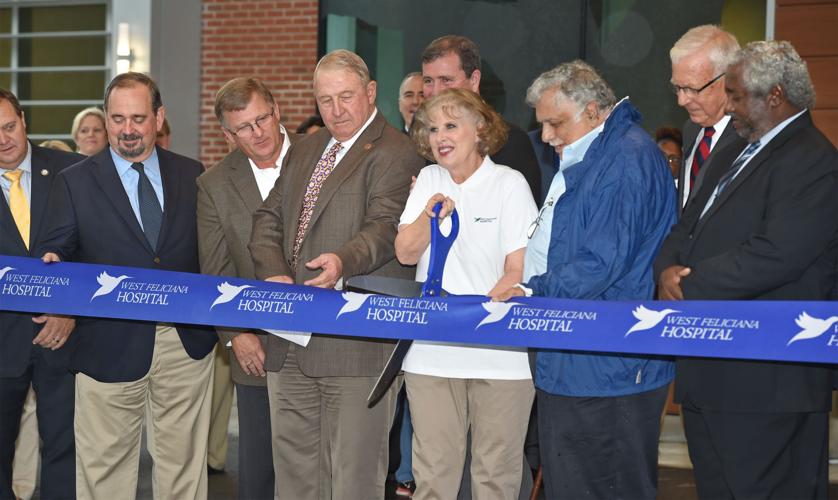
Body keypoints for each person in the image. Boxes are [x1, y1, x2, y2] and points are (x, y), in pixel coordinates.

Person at [655, 40, 838, 499]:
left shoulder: (814, 160)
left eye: (736, 95)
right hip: (712, 373)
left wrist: (690, 283)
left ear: (773, 96)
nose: (729, 106)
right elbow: (687, 224)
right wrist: (666, 270)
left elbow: (778, 252)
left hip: (767, 382)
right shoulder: (738, 145)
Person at [249, 49, 424, 500]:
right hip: (289, 340)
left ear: (370, 93)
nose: (336, 110)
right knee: (294, 478)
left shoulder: (397, 152)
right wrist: (273, 275)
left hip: (356, 343)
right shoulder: (304, 149)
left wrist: (343, 261)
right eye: (325, 100)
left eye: (346, 97)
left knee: (355, 478)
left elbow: (387, 227)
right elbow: (267, 219)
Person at [497, 61, 677, 499]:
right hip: (579, 358)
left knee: (603, 485)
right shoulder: (591, 154)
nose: (546, 137)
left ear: (594, 111)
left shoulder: (625, 160)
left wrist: (531, 291)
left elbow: (600, 262)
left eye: (555, 123)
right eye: (542, 125)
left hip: (607, 364)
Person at [37, 72, 217, 499]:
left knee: (183, 470)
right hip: (107, 345)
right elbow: (57, 245)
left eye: (138, 117)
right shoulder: (75, 180)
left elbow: (212, 251)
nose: (127, 129)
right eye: (117, 118)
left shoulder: (193, 175)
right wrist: (55, 265)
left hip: (183, 345)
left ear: (159, 117)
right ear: (106, 118)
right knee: (104, 471)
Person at [395, 88, 536, 499]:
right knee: (434, 476)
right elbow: (405, 252)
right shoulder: (429, 180)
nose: (440, 136)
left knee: (494, 477)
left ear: (480, 129)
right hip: (432, 354)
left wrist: (474, 318)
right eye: (433, 128)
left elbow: (519, 271)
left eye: (451, 126)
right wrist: (429, 210)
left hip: (501, 355)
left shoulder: (510, 184)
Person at [197, 76, 296, 499]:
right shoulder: (215, 184)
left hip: (328, 342)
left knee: (321, 468)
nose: (258, 134)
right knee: (259, 473)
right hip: (255, 346)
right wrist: (236, 335)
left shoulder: (321, 157)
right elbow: (216, 271)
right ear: (227, 135)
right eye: (244, 128)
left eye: (262, 119)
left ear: (276, 111)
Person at [0, 88, 82, 500]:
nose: (3, 139)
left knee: (64, 449)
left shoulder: (74, 171)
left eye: (9, 126)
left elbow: (95, 245)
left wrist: (70, 309)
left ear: (24, 119)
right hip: (2, 341)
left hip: (63, 337)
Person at [420, 35, 541, 201]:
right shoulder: (427, 140)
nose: (435, 91)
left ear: (474, 80)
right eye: (428, 81)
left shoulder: (510, 141)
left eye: (446, 80)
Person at [670, 25, 744, 211]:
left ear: (728, 80)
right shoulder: (691, 129)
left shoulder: (750, 139)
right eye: (677, 88)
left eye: (692, 89)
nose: (681, 100)